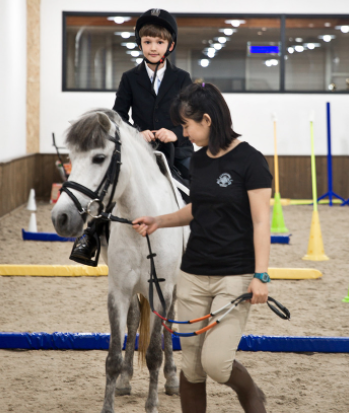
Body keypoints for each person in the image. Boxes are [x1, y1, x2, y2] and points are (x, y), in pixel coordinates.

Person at [132, 82, 272, 413]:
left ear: (207, 120)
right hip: (193, 274)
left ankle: (253, 396)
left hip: (235, 277)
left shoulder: (251, 161)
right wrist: (158, 220)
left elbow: (262, 222)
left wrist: (261, 275)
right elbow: (197, 208)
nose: (184, 133)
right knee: (192, 368)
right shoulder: (198, 161)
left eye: (186, 125)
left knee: (216, 362)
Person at [70, 9, 193, 266]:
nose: (153, 47)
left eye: (159, 42)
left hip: (177, 150)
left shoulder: (182, 78)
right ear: (140, 44)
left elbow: (192, 117)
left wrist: (176, 133)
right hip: (140, 151)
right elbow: (118, 116)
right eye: (147, 42)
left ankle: (203, 242)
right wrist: (137, 133)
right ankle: (90, 236)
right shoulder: (129, 79)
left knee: (197, 190)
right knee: (111, 187)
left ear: (170, 46)